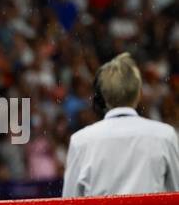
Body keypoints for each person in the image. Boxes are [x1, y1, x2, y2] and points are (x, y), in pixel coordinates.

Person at [62, 52, 179, 197]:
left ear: (104, 96)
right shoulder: (165, 136)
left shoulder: (81, 141)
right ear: (139, 94)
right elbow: (175, 195)